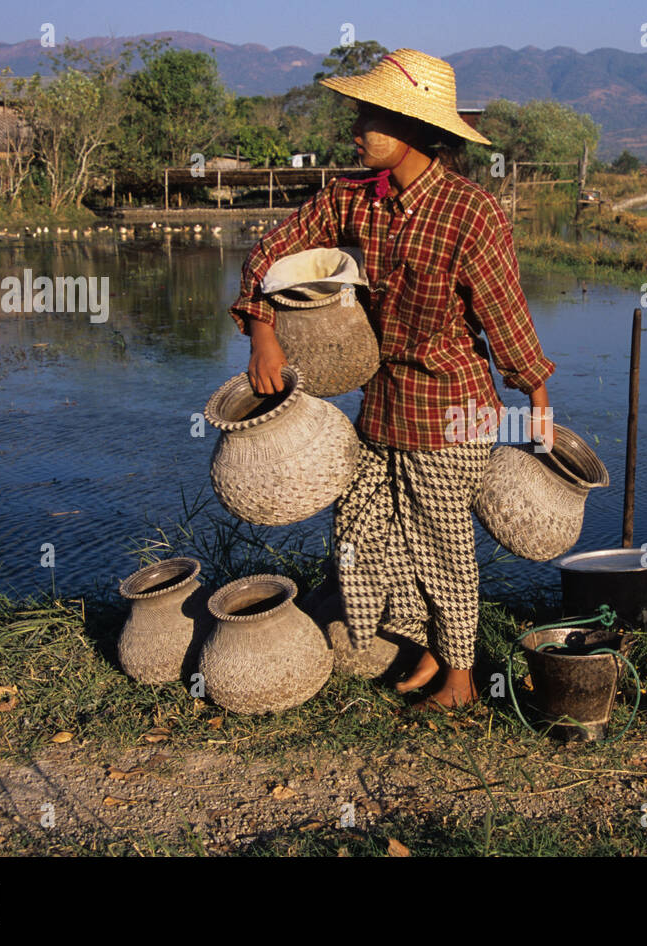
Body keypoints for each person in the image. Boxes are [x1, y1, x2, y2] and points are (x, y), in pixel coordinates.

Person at [228, 49, 556, 711]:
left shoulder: (472, 212)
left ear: (414, 128)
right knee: (363, 525)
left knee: (440, 542)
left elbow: (504, 311)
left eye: (373, 118)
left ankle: (460, 675)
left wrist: (536, 393)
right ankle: (421, 640)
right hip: (383, 405)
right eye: (359, 115)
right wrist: (263, 328)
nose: (357, 130)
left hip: (451, 407)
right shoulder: (353, 199)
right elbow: (271, 250)